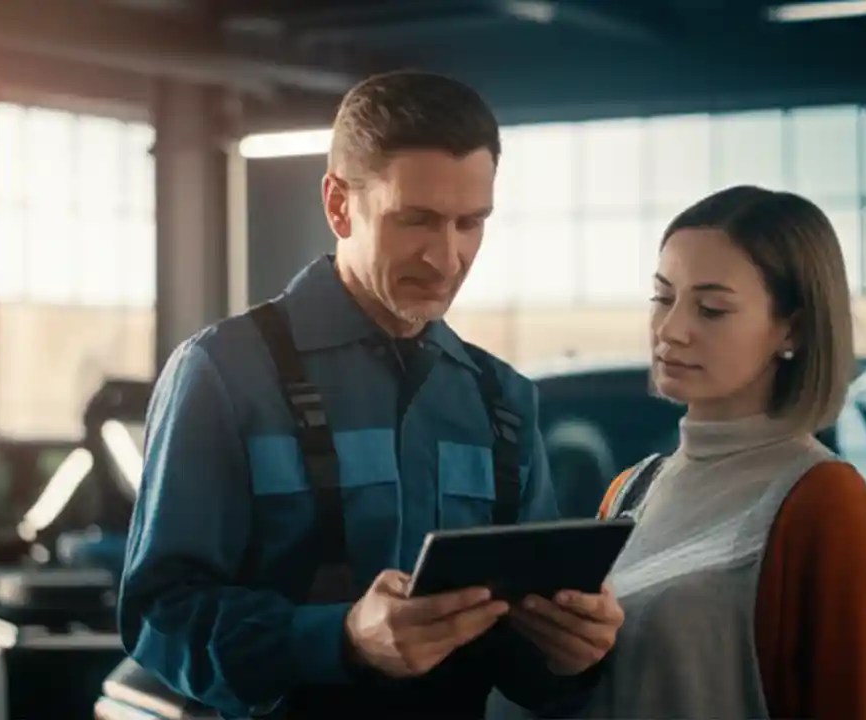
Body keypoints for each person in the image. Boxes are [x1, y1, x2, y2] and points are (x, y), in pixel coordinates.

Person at [117, 70, 625, 719]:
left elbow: (524, 661)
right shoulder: (223, 375)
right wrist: (342, 637)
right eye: (417, 220)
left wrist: (572, 652)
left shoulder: (501, 401)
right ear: (338, 205)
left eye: (471, 222)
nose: (447, 257)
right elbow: (162, 617)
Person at [580, 185, 866, 718]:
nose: (670, 329)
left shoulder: (823, 502)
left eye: (710, 309)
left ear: (792, 329)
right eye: (663, 297)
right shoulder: (629, 489)